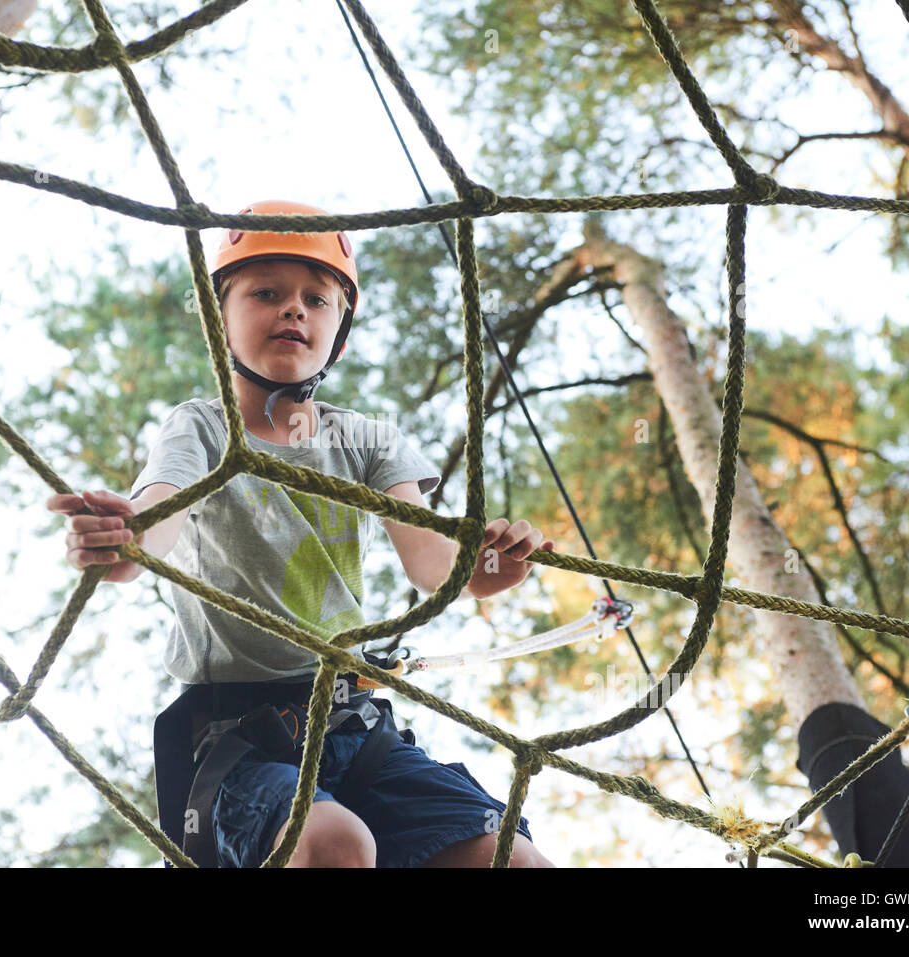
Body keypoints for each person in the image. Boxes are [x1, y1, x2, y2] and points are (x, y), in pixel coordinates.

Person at [48, 200, 556, 868]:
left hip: (358, 731)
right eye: (267, 292)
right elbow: (158, 518)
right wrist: (124, 541)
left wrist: (486, 565)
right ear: (218, 317)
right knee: (335, 844)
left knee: (510, 856)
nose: (295, 309)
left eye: (317, 299)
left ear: (338, 330)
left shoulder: (367, 440)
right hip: (242, 740)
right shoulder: (202, 428)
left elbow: (434, 565)